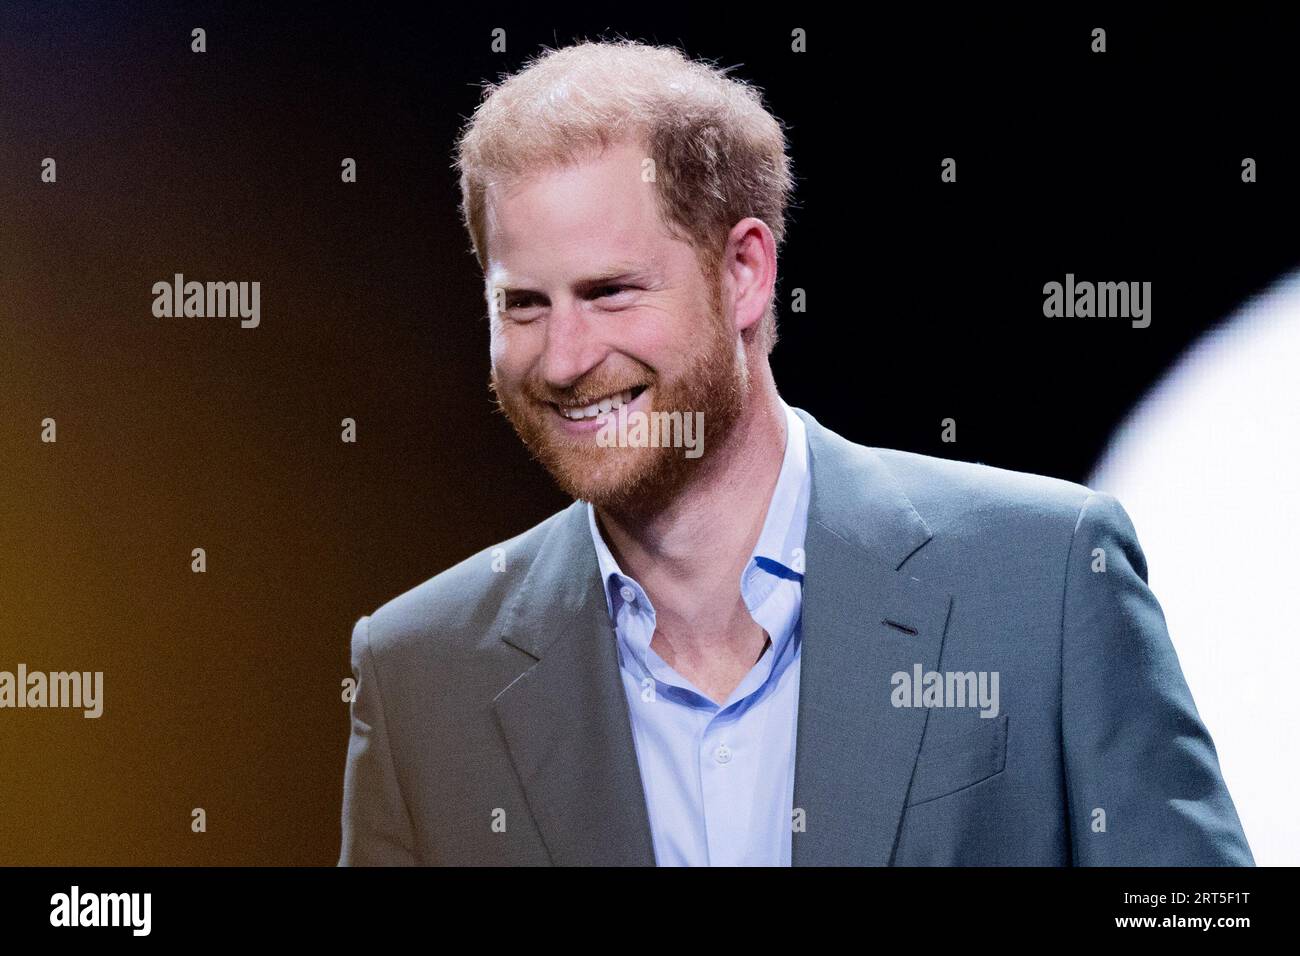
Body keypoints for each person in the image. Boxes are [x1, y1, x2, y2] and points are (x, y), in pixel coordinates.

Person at [338, 40, 1253, 866]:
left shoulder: (1044, 577)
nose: (566, 358)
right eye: (523, 305)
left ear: (745, 272)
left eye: (611, 292)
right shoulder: (421, 673)